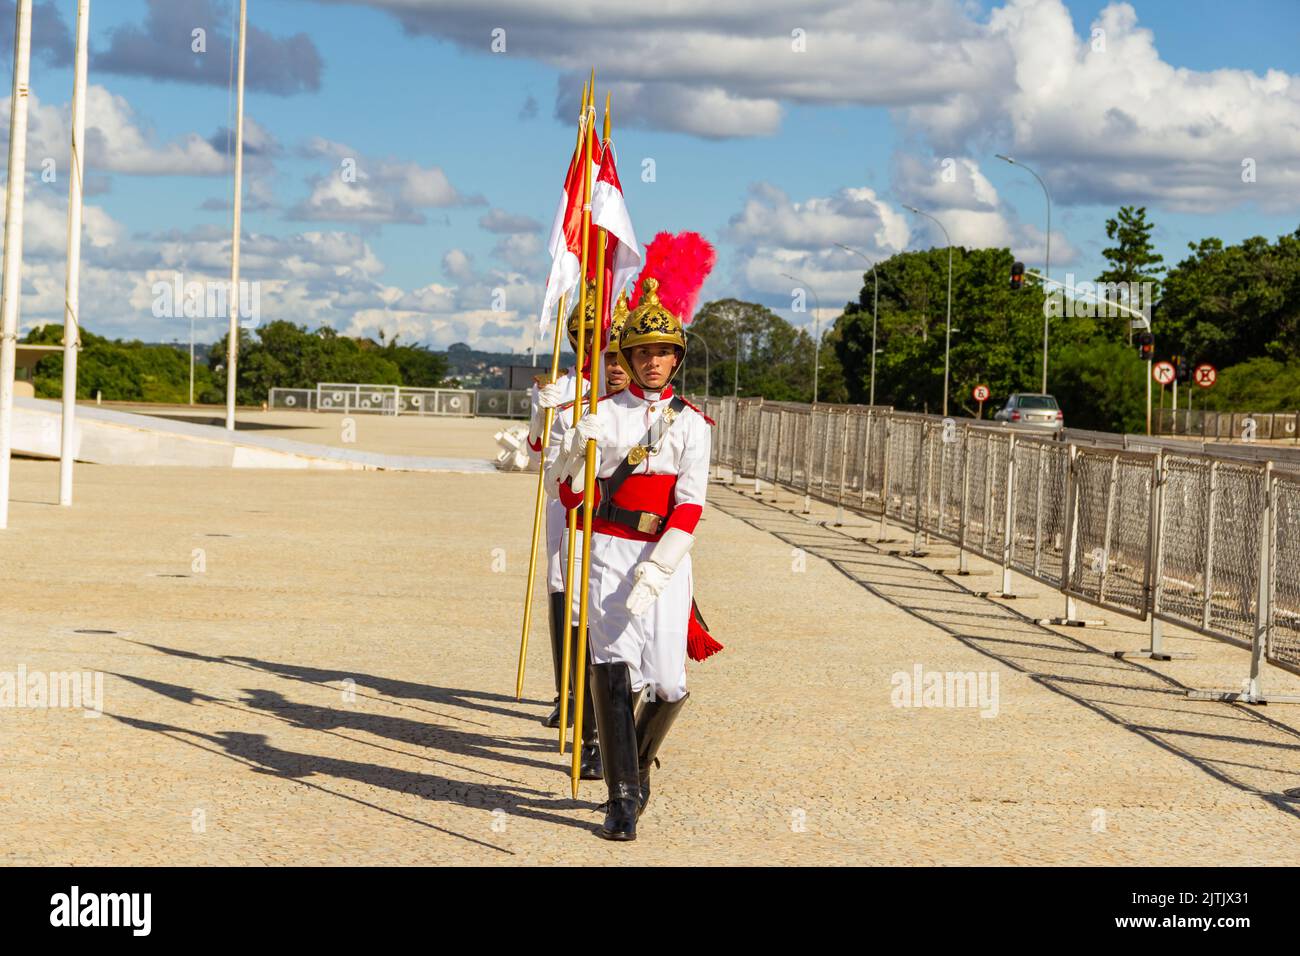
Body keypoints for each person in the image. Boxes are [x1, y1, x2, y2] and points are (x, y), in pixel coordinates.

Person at [548, 232, 716, 841]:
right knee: (611, 666)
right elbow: (571, 498)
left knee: (669, 682)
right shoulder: (602, 413)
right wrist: (571, 447)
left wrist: (661, 567)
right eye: (641, 350)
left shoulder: (693, 425)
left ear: (676, 358)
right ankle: (621, 800)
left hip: (662, 563)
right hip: (607, 552)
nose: (650, 361)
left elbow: (692, 504)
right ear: (628, 352)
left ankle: (639, 768)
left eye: (661, 351)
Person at [525, 287, 629, 779]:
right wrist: (539, 409)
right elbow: (537, 452)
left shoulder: (631, 400)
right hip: (567, 505)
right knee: (564, 592)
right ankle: (572, 701)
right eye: (585, 336)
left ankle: (618, 738)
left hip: (618, 521)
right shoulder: (564, 388)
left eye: (602, 337)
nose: (595, 346)